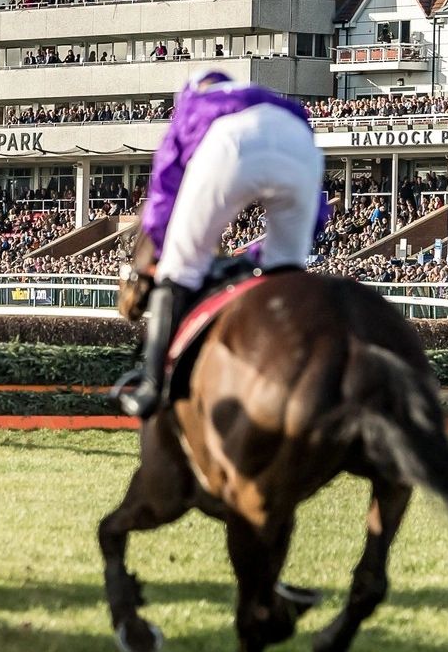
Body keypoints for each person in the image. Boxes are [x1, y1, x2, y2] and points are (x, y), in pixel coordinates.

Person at [113, 72, 326, 419]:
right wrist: (263, 262)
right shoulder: (276, 101)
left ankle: (152, 387)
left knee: (179, 270)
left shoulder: (191, 103)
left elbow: (166, 189)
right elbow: (316, 212)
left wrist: (167, 251)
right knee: (286, 272)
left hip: (232, 144)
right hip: (299, 141)